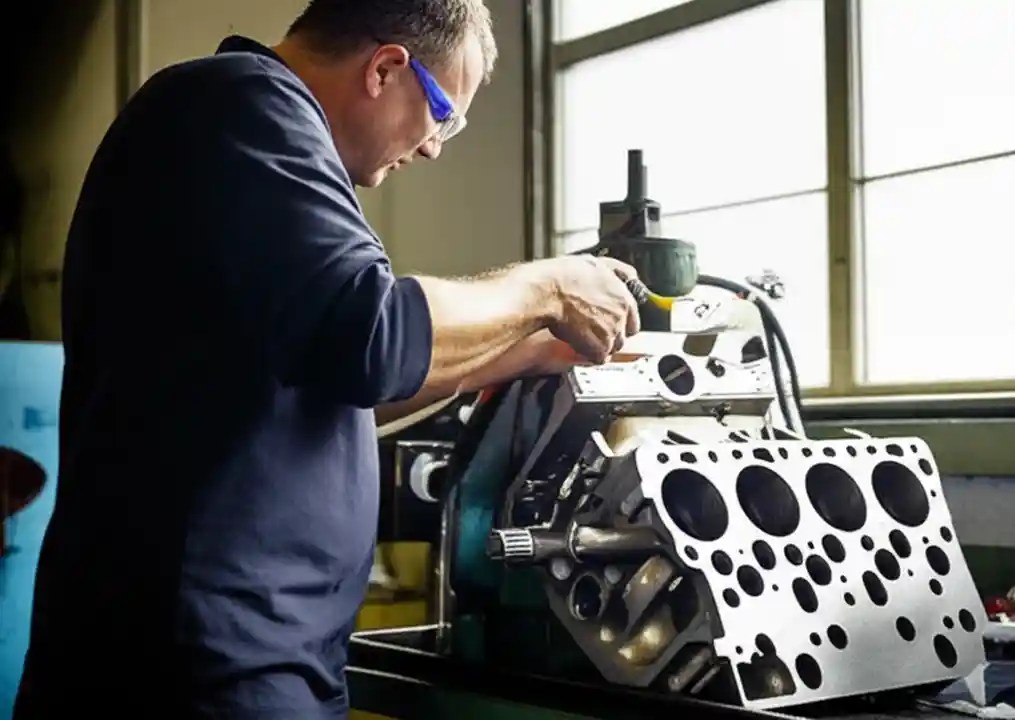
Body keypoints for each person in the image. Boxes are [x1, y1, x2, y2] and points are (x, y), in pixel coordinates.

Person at [14, 0, 640, 716]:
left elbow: (339, 381)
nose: (436, 146)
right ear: (385, 68)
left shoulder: (245, 141)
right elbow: (369, 334)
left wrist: (532, 353)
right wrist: (549, 285)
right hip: (197, 666)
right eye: (445, 115)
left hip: (240, 655)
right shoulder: (242, 107)